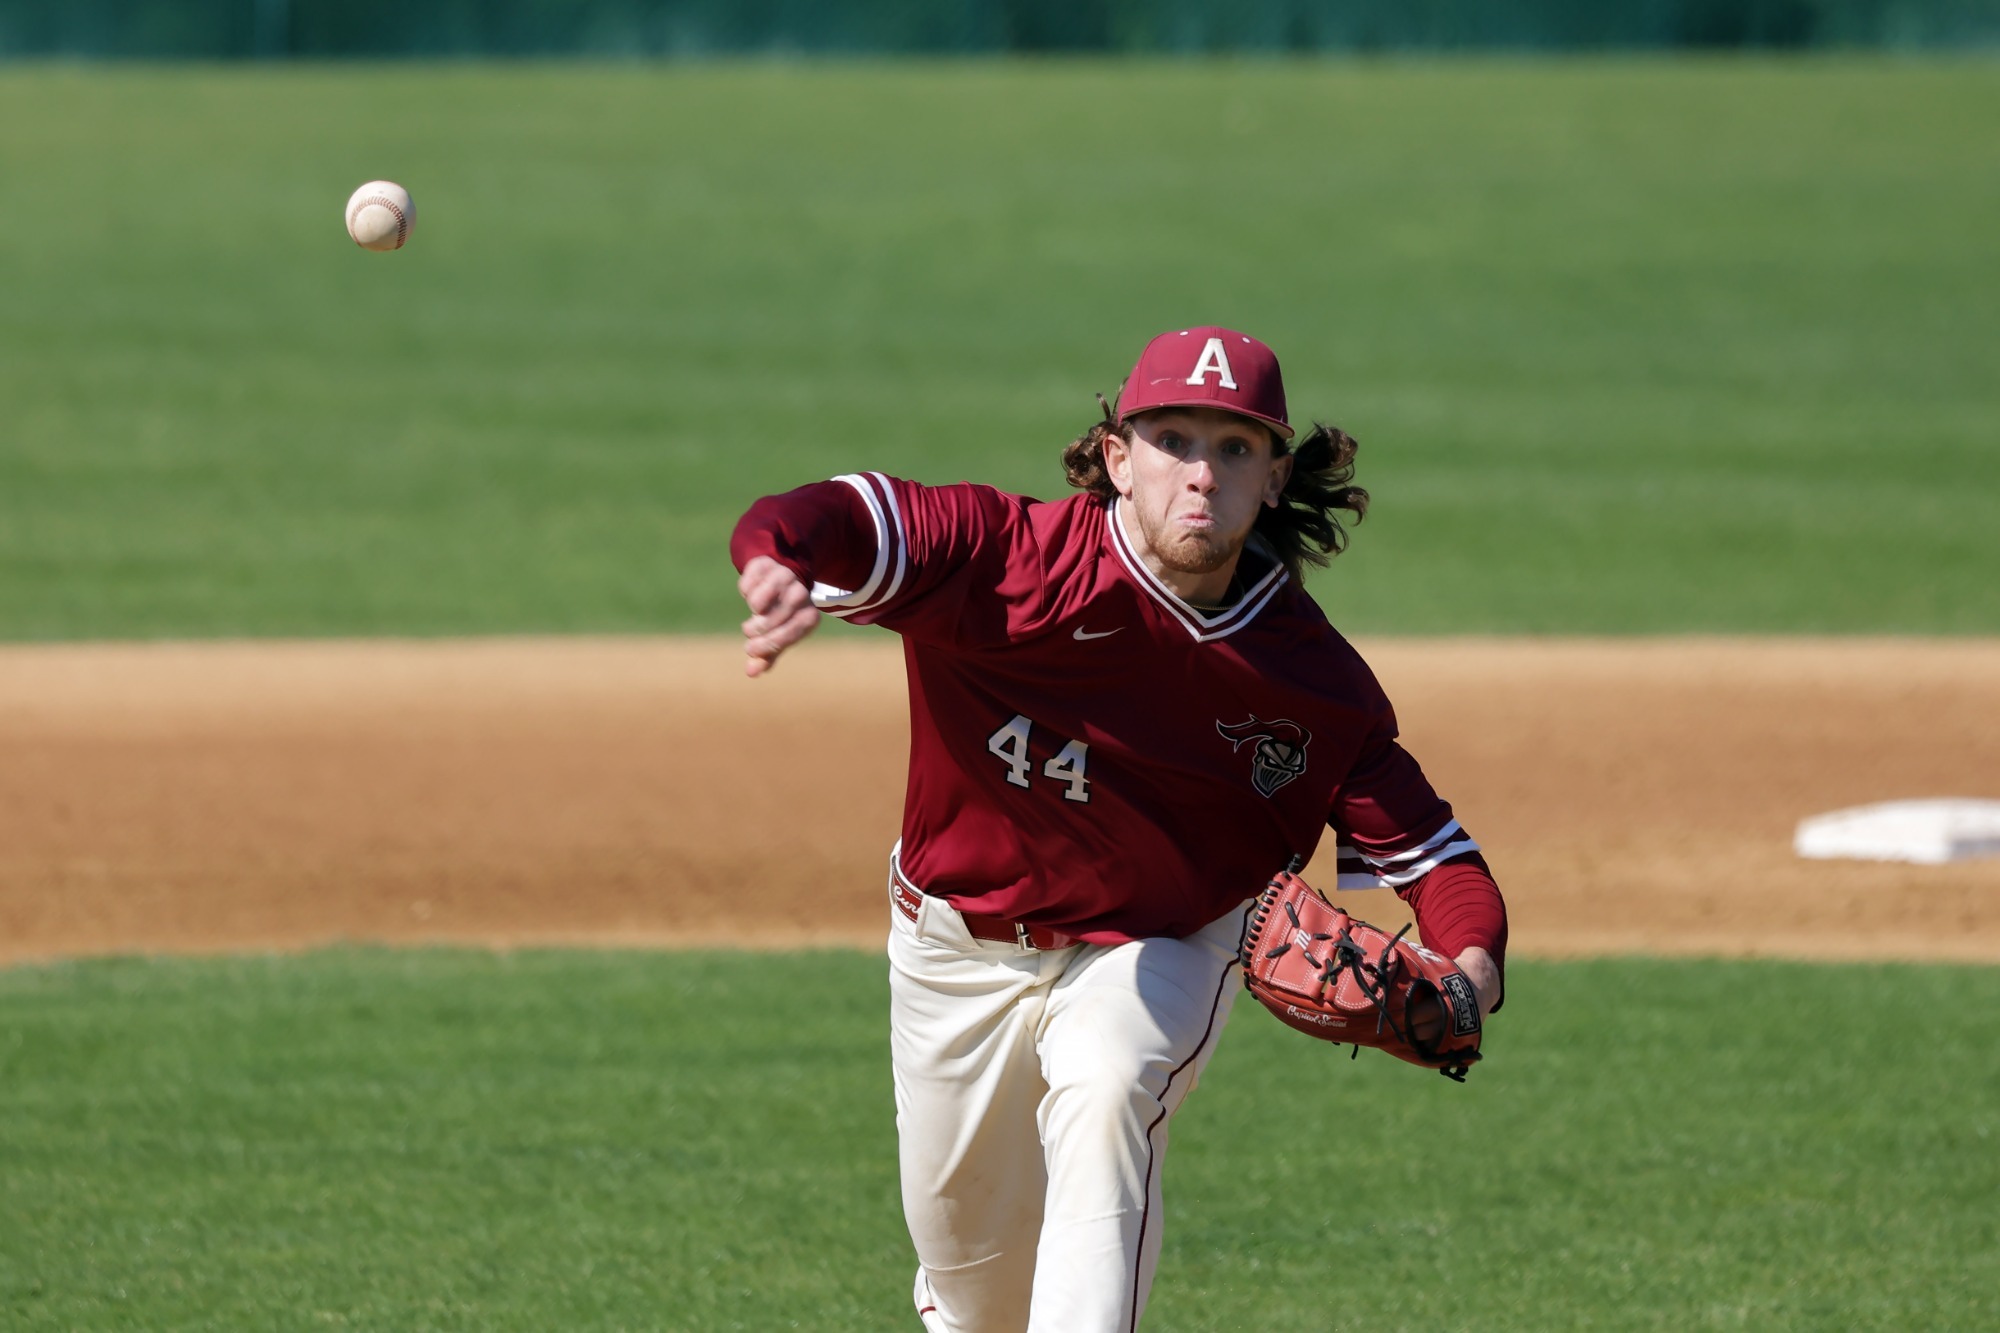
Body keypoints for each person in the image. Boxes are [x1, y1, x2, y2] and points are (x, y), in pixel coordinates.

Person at [731, 327, 1507, 1332]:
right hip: (954, 950)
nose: (1200, 474)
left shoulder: (1311, 684)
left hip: (1162, 943)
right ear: (1115, 458)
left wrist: (1469, 966)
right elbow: (832, 512)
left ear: (1273, 479)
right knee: (974, 1293)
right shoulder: (1004, 559)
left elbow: (1430, 856)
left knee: (1109, 1091)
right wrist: (774, 560)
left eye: (1233, 449)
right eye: (1172, 439)